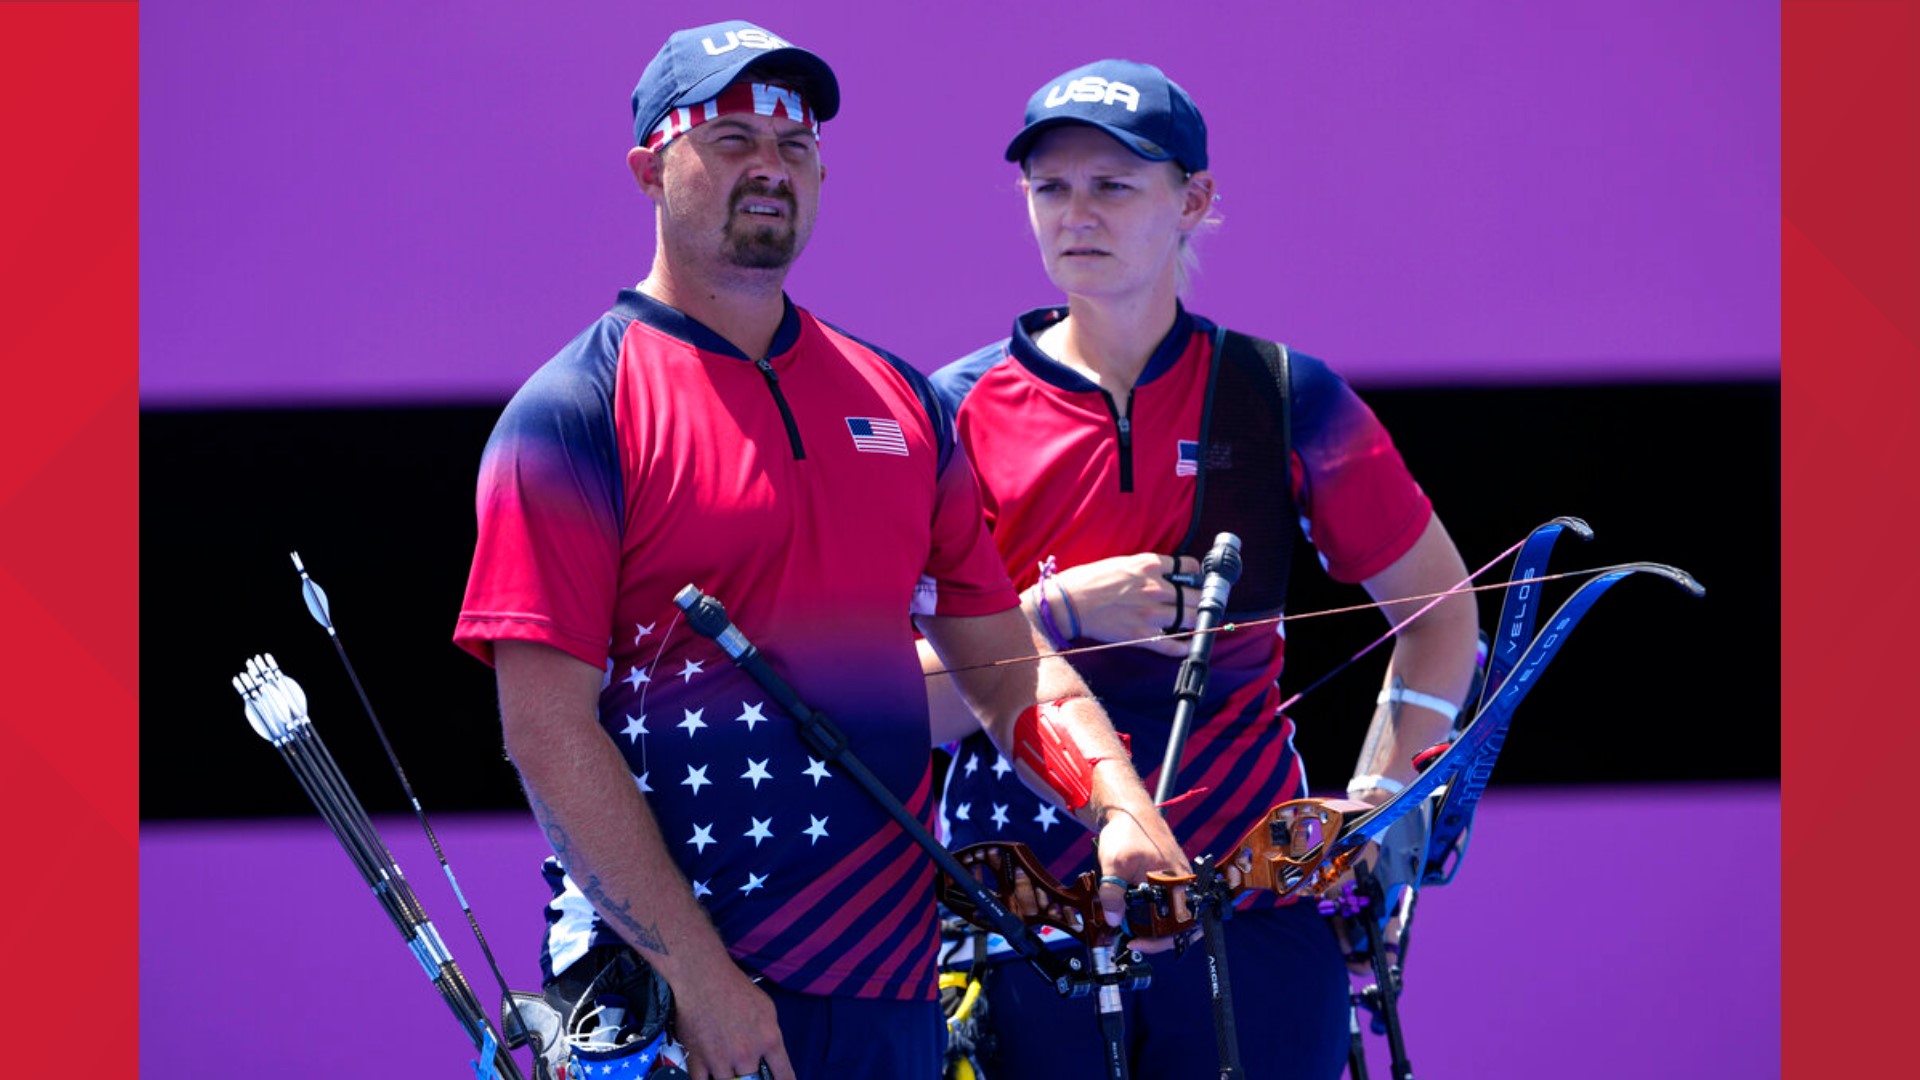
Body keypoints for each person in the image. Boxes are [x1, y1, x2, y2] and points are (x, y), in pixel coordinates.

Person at [453, 25, 1187, 1080]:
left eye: (794, 148)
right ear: (649, 169)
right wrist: (702, 982)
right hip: (677, 1004)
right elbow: (545, 731)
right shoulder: (573, 413)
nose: (769, 167)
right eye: (733, 138)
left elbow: (998, 659)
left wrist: (1116, 805)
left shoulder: (898, 400)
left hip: (891, 991)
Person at [923, 60, 1482, 1080]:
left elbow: (1445, 615)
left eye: (1114, 184)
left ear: (1195, 200)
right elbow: (891, 703)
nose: (1076, 213)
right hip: (1028, 930)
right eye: (1050, 187)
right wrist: (1059, 611)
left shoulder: (1282, 395)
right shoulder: (948, 411)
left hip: (1254, 914)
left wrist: (1377, 800)